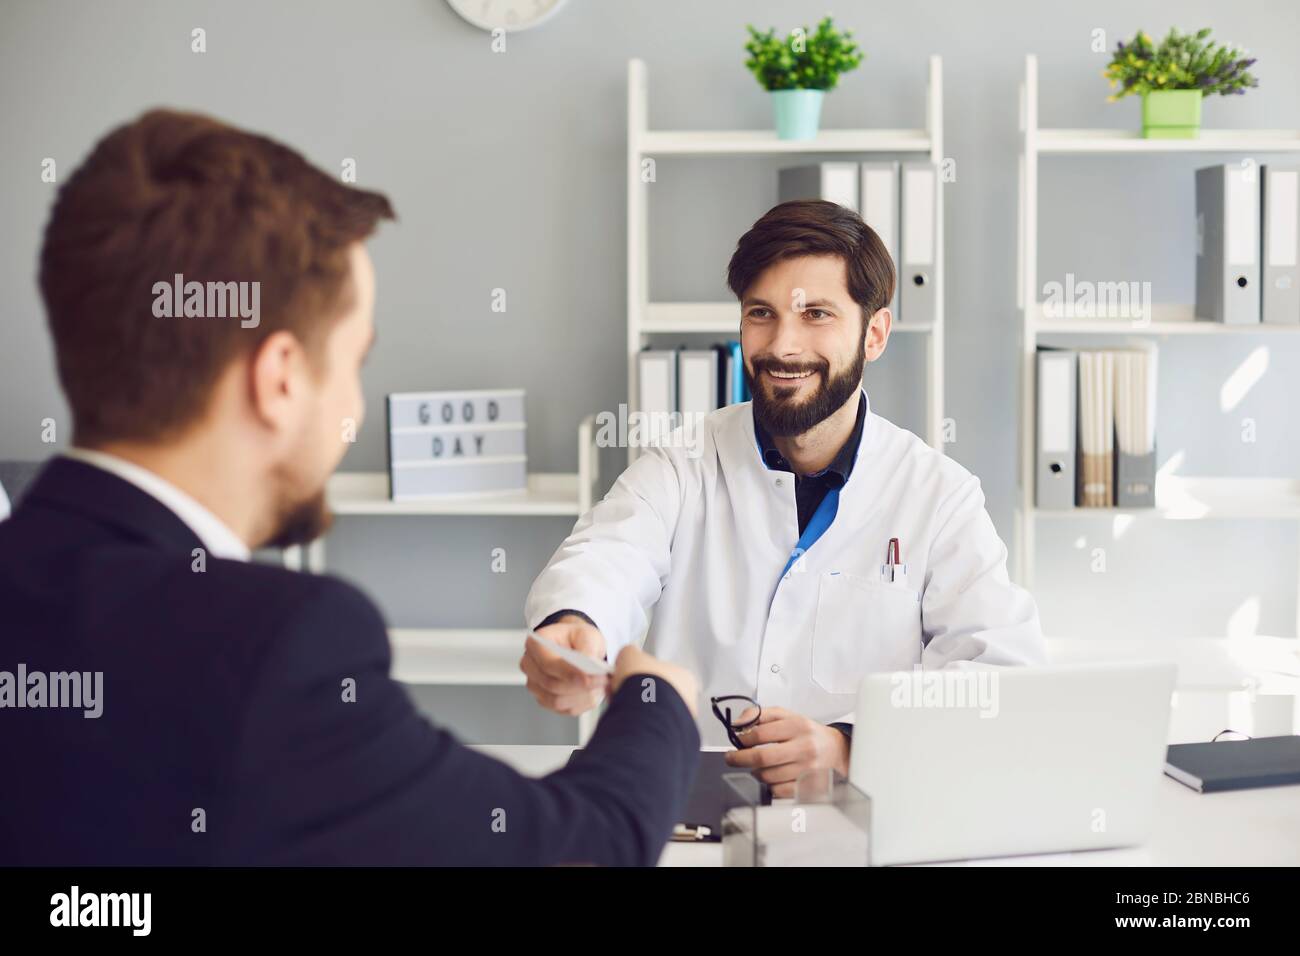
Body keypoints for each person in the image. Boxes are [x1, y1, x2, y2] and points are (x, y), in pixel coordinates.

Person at [0, 109, 699, 866]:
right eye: (355, 363)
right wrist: (657, 703)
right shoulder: (274, 652)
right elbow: (583, 850)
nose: (356, 405)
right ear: (280, 380)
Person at [523, 200, 1045, 796]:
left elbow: (998, 674)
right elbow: (606, 557)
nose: (782, 346)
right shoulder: (681, 464)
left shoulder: (939, 496)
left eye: (816, 314)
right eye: (761, 314)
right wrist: (576, 622)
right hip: (695, 808)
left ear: (873, 334)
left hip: (861, 818)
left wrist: (849, 746)